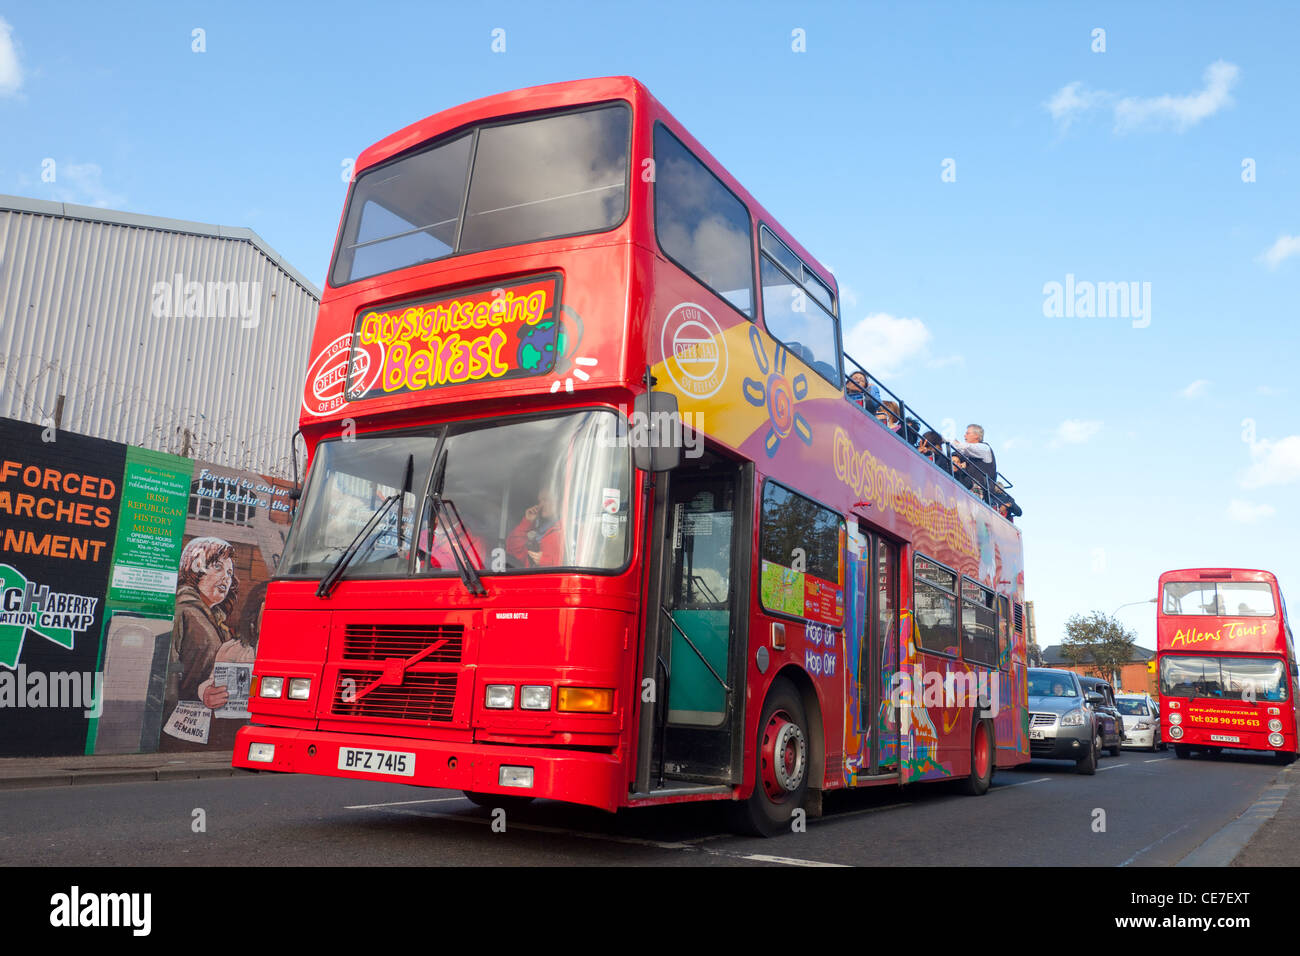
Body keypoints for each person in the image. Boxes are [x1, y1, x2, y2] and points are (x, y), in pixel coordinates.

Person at [506, 488, 564, 567]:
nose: (540, 505)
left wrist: (545, 561)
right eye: (540, 501)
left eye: (545, 500)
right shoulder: (537, 529)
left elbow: (573, 561)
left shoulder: (566, 529)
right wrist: (527, 522)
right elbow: (514, 550)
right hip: (533, 577)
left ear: (558, 502)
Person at [951, 423, 996, 496]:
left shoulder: (985, 448)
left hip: (980, 490)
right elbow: (960, 450)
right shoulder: (968, 453)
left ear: (976, 436)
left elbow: (964, 447)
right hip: (966, 485)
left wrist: (949, 439)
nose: (964, 435)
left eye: (967, 433)